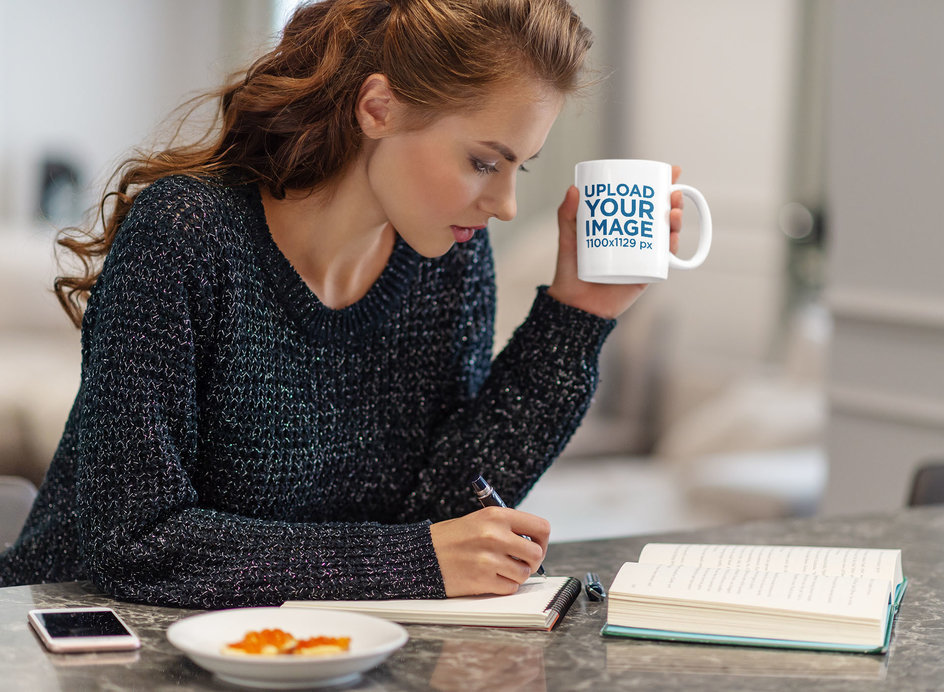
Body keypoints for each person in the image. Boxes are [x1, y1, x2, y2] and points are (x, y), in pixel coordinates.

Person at [0, 0, 681, 609]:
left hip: (300, 653)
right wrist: (413, 560)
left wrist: (577, 313)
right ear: (378, 107)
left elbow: (449, 509)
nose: (503, 205)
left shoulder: (449, 256)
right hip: (74, 644)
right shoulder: (184, 236)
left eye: (519, 168)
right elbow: (138, 544)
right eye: (483, 161)